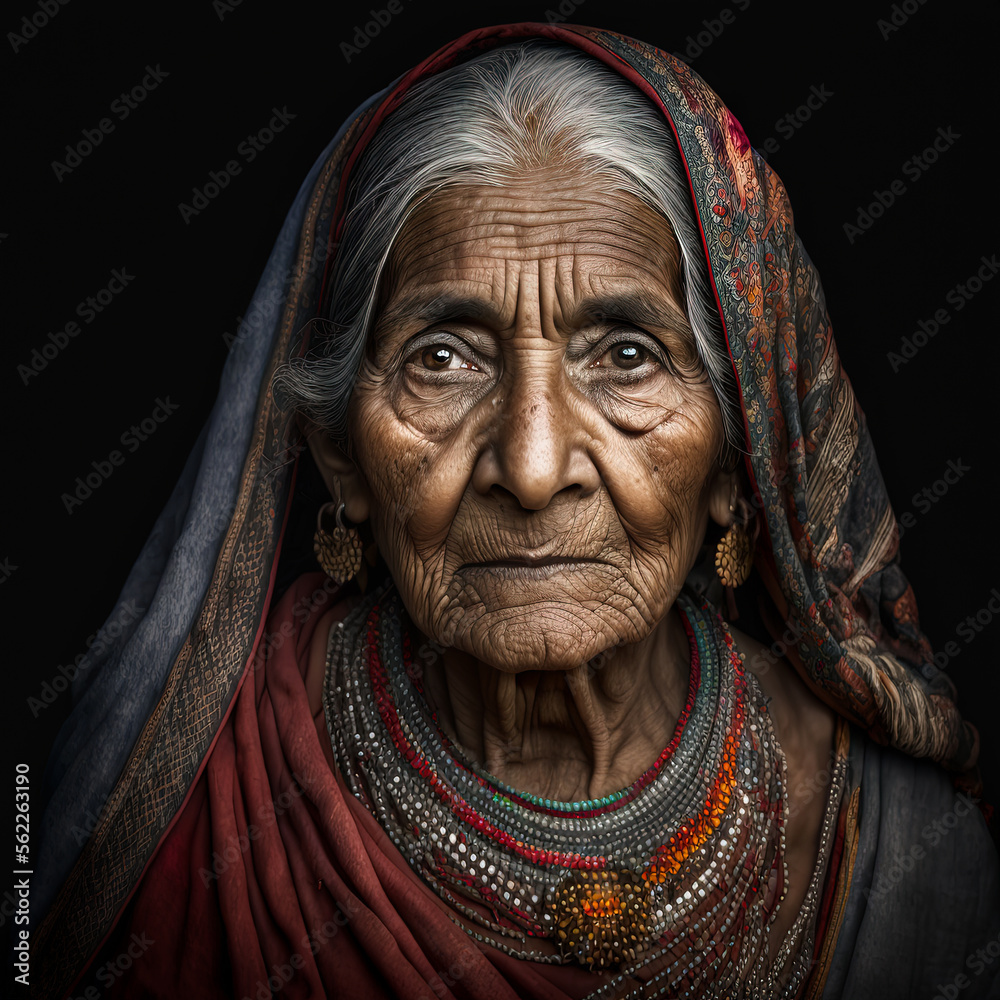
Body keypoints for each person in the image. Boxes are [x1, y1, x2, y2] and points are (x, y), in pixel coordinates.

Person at [31, 23, 999, 1000]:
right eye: (443, 359)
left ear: (736, 458)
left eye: (625, 356)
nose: (532, 471)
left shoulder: (887, 840)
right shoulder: (182, 806)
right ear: (340, 456)